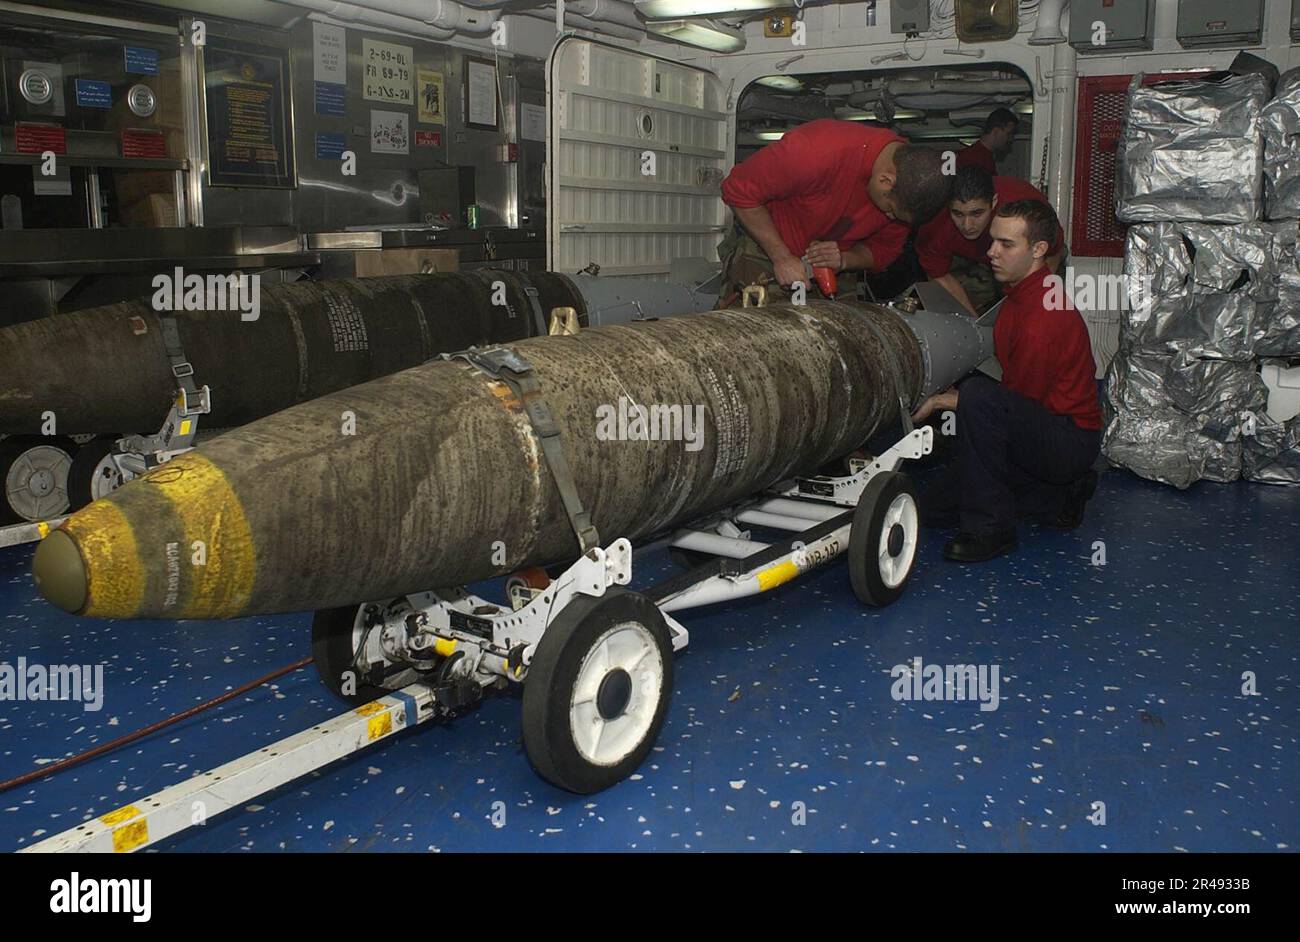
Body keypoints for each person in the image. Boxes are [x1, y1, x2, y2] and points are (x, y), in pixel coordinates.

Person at [912, 200, 1101, 563]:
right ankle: (1057, 496)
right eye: (992, 241)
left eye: (1005, 244)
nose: (990, 252)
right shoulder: (1021, 293)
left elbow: (1009, 407)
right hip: (1042, 428)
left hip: (1067, 437)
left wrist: (946, 400)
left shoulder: (1043, 317)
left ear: (1038, 250)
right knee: (930, 509)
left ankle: (991, 531)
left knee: (978, 398)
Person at [718, 119, 952, 301]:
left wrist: (845, 261)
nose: (890, 219)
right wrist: (781, 257)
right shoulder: (814, 152)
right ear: (885, 181)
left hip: (830, 267)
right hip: (768, 247)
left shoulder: (909, 186)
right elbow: (738, 190)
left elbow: (884, 250)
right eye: (890, 211)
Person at [916, 165, 1065, 315]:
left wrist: (1029, 304)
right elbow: (939, 275)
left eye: (977, 213)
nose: (967, 225)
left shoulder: (1024, 210)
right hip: (970, 260)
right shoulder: (934, 224)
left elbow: (1053, 252)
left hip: (1031, 259)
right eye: (958, 214)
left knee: (1041, 310)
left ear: (993, 202)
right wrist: (973, 322)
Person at [955, 107, 1019, 176]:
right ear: (996, 131)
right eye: (1009, 134)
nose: (1011, 139)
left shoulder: (983, 156)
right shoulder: (973, 158)